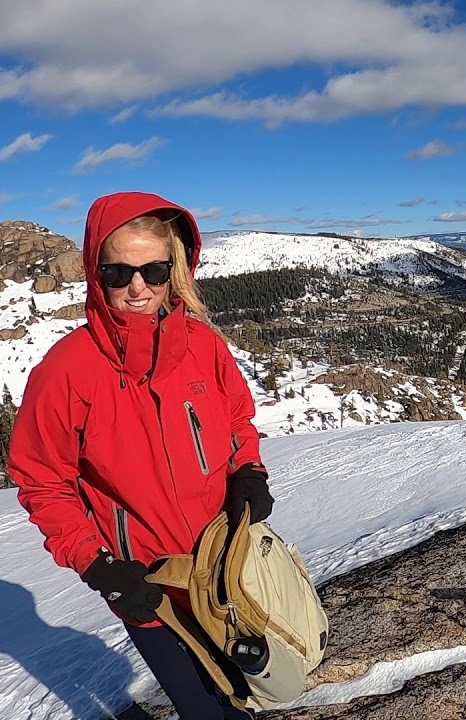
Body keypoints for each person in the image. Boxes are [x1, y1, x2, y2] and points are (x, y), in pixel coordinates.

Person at [7, 192, 275, 719]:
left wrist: (248, 469)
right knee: (203, 710)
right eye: (119, 272)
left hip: (224, 563)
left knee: (246, 698)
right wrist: (98, 564)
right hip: (147, 586)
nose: (138, 287)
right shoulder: (66, 371)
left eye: (153, 270)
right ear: (95, 272)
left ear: (174, 269)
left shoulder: (203, 345)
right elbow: (42, 480)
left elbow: (239, 419)